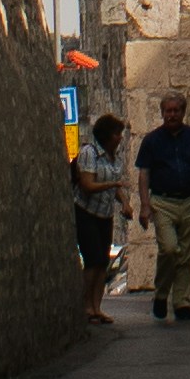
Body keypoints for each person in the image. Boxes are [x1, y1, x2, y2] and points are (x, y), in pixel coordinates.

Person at [133, 98, 190, 324]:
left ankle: (181, 301)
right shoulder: (152, 140)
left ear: (183, 112)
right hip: (163, 202)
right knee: (169, 248)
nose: (172, 115)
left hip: (189, 200)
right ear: (162, 113)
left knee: (186, 253)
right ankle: (161, 294)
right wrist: (145, 205)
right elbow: (144, 173)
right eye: (168, 111)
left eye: (176, 111)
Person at [68, 115, 128, 314]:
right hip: (86, 212)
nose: (120, 138)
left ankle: (97, 307)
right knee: (93, 259)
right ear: (108, 135)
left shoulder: (114, 158)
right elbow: (87, 185)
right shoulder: (89, 153)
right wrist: (112, 185)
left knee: (103, 261)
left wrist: (125, 203)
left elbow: (116, 188)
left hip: (105, 215)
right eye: (117, 134)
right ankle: (86, 306)